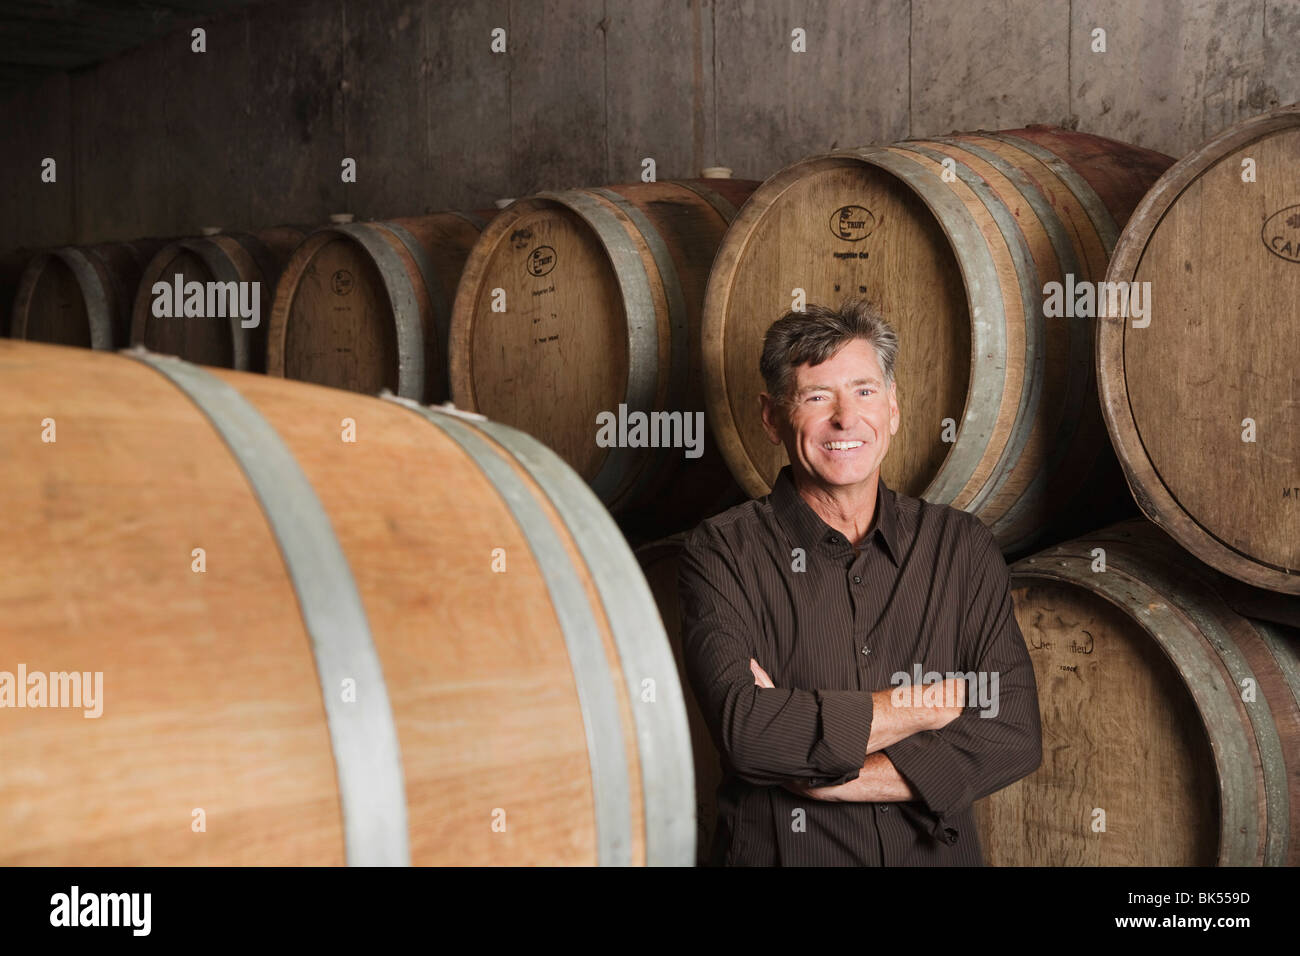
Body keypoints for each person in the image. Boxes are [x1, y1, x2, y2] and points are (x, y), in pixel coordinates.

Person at [677, 297, 1042, 866]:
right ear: (773, 418)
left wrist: (832, 776)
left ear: (893, 408)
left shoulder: (959, 546)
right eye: (817, 397)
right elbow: (748, 734)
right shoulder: (722, 551)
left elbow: (1014, 730)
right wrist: (925, 704)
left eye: (865, 391)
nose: (846, 419)